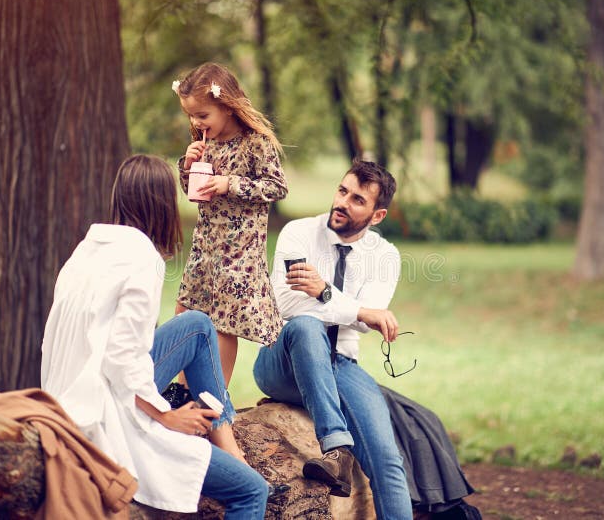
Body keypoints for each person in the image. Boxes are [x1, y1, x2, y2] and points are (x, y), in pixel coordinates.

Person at [40, 155, 268, 518]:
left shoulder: (84, 252)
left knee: (196, 323)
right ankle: (228, 445)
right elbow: (120, 358)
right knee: (252, 491)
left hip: (63, 400)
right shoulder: (143, 258)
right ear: (163, 205)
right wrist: (165, 416)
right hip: (104, 413)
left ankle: (223, 435)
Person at [253, 158, 414, 519]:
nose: (342, 202)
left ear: (377, 216)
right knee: (307, 326)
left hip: (340, 362)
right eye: (342, 191)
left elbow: (364, 321)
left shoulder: (385, 256)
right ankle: (336, 449)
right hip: (283, 359)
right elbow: (286, 304)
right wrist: (353, 309)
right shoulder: (298, 234)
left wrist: (325, 293)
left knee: (387, 461)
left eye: (358, 199)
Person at [171, 62, 288, 388]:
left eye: (203, 115)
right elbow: (193, 193)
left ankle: (213, 398)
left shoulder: (255, 143)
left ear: (227, 106)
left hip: (238, 253)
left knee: (222, 323)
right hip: (206, 245)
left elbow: (277, 187)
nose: (196, 122)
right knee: (187, 312)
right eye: (191, 116)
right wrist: (189, 165)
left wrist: (230, 184)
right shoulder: (204, 142)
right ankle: (182, 390)